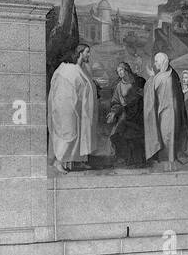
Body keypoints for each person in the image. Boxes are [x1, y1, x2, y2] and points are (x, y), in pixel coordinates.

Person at [47, 43, 98, 172]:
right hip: (68, 108)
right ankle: (58, 162)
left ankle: (77, 161)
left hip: (80, 108)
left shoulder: (82, 69)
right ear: (80, 53)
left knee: (81, 135)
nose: (89, 55)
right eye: (87, 52)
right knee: (69, 134)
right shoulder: (68, 70)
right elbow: (63, 93)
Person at [144, 53, 188, 169]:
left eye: (157, 62)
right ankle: (170, 162)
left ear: (162, 62)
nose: (155, 64)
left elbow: (150, 90)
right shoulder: (172, 74)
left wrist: (152, 77)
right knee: (167, 137)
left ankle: (168, 162)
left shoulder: (161, 77)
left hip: (166, 113)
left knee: (166, 137)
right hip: (170, 112)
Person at [104, 62, 145, 167]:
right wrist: (114, 112)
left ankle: (138, 160)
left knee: (135, 136)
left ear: (127, 70)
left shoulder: (138, 82)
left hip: (138, 115)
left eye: (121, 70)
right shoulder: (119, 86)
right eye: (118, 71)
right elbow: (116, 102)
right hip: (125, 114)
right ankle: (124, 158)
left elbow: (143, 97)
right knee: (116, 135)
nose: (120, 73)